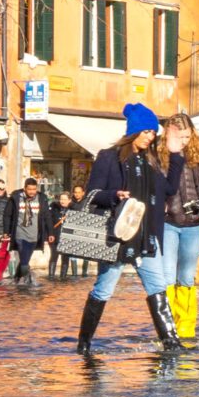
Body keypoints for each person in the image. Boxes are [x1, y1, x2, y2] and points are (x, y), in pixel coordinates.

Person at [79, 103, 174, 354]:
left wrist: (175, 157)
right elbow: (93, 194)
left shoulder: (151, 161)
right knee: (104, 288)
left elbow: (169, 190)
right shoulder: (108, 157)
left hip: (146, 235)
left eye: (153, 133)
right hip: (117, 235)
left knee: (158, 286)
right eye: (145, 132)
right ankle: (84, 343)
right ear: (134, 131)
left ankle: (171, 342)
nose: (149, 137)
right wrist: (114, 195)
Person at [158, 112, 199, 324]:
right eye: (179, 137)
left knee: (186, 277)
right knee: (166, 277)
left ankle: (185, 327)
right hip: (167, 222)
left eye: (186, 136)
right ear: (168, 133)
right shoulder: (158, 155)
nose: (184, 141)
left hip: (193, 223)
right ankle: (167, 327)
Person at [10, 176, 50, 283]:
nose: (32, 192)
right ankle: (27, 282)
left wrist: (50, 233)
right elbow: (7, 215)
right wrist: (6, 231)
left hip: (34, 236)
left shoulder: (41, 198)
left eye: (34, 189)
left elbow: (47, 216)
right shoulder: (16, 197)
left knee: (25, 259)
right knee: (24, 261)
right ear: (25, 189)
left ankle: (17, 280)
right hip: (20, 234)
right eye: (29, 189)